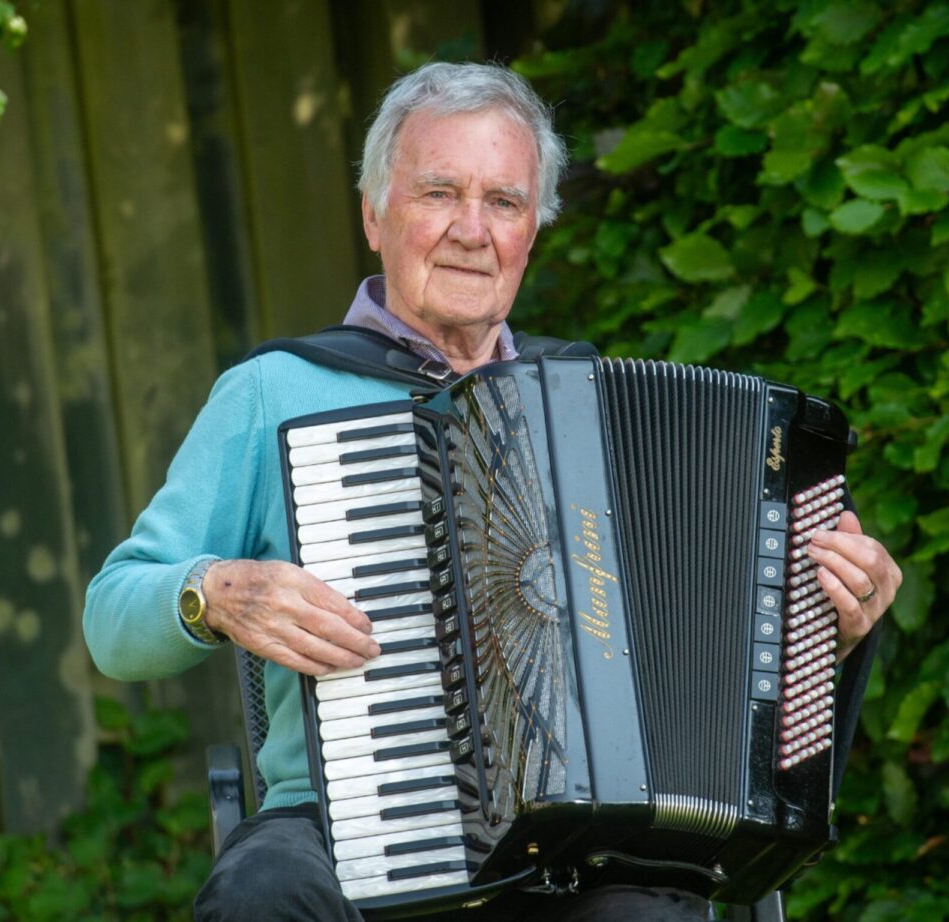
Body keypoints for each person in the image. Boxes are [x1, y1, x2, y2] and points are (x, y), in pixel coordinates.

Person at [83, 61, 903, 921]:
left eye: (504, 202)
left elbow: (709, 650)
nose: (471, 231)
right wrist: (212, 592)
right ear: (374, 215)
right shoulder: (275, 392)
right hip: (340, 831)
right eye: (439, 192)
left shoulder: (592, 406)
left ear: (530, 234)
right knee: (262, 894)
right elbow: (111, 617)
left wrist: (822, 623)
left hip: (578, 846)